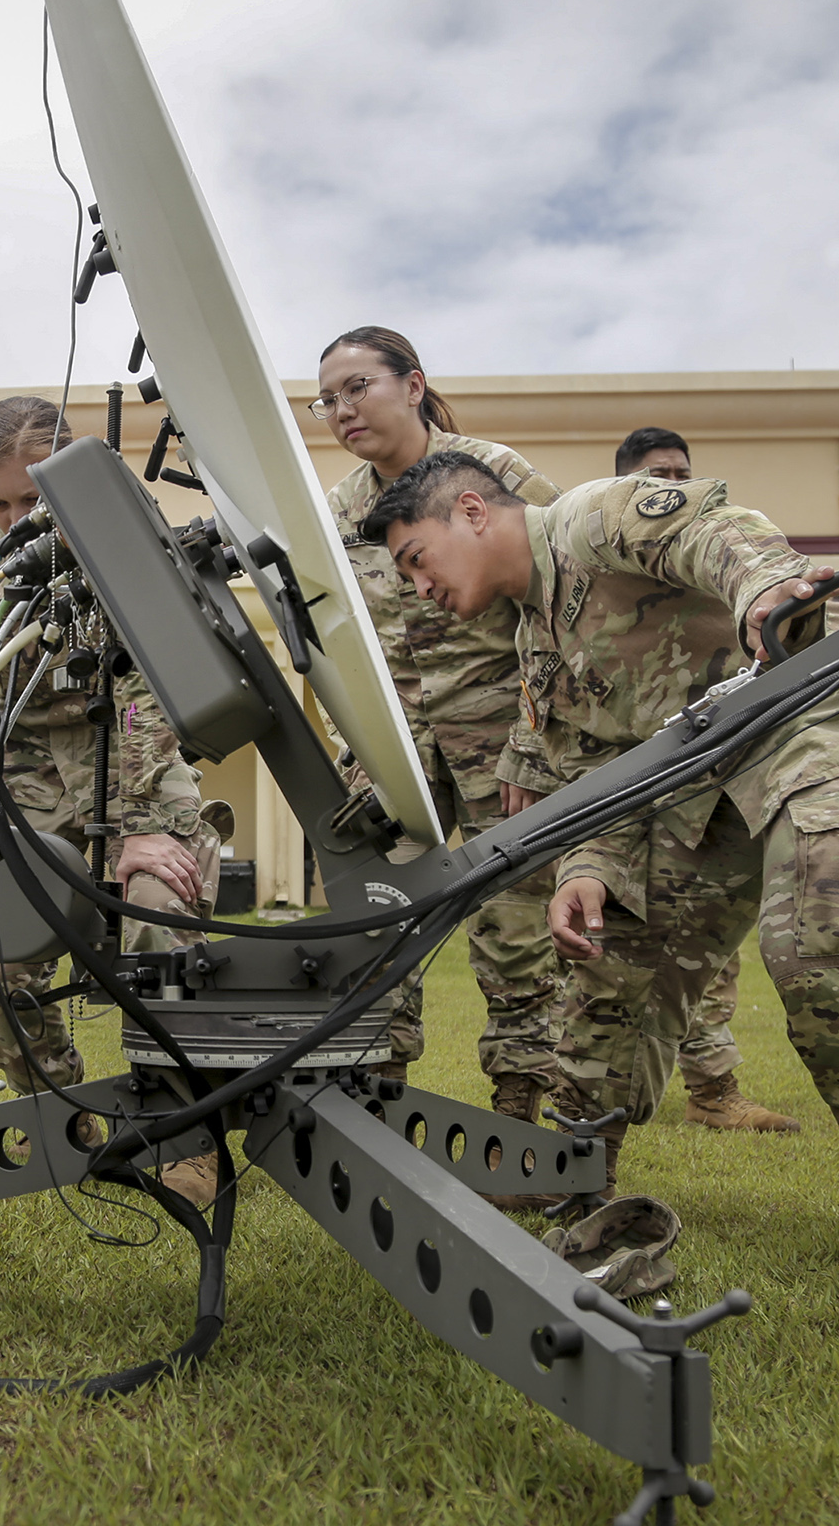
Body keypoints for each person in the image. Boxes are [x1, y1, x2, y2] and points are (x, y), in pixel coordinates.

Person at [365, 452, 839, 1288]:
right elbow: (594, 773)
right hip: (704, 782)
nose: (416, 586)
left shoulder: (591, 518)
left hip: (820, 717)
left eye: (415, 559)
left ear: (471, 512)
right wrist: (586, 867)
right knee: (614, 961)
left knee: (816, 941)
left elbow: (710, 533)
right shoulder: (537, 644)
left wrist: (764, 588)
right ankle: (577, 1181)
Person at [0, 396, 228, 1203]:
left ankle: (185, 1136)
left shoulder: (124, 554)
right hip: (25, 795)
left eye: (33, 498)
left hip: (141, 780)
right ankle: (60, 1118)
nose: (19, 518)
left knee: (164, 932)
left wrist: (133, 830)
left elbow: (147, 696)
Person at [313, 329, 567, 1173]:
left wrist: (536, 743)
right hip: (393, 743)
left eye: (358, 387)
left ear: (413, 384)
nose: (342, 410)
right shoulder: (335, 507)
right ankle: (378, 1112)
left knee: (518, 921)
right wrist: (351, 744)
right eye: (328, 399)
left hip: (504, 731)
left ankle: (523, 1127)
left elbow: (556, 603)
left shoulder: (490, 475)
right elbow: (326, 632)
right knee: (374, 912)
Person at [611, 427, 798, 1135]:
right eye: (660, 475)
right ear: (630, 487)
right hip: (641, 776)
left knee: (710, 947)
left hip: (718, 764)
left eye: (684, 474)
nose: (676, 486)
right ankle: (599, 1088)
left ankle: (713, 1090)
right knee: (644, 939)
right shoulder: (610, 563)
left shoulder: (704, 551)